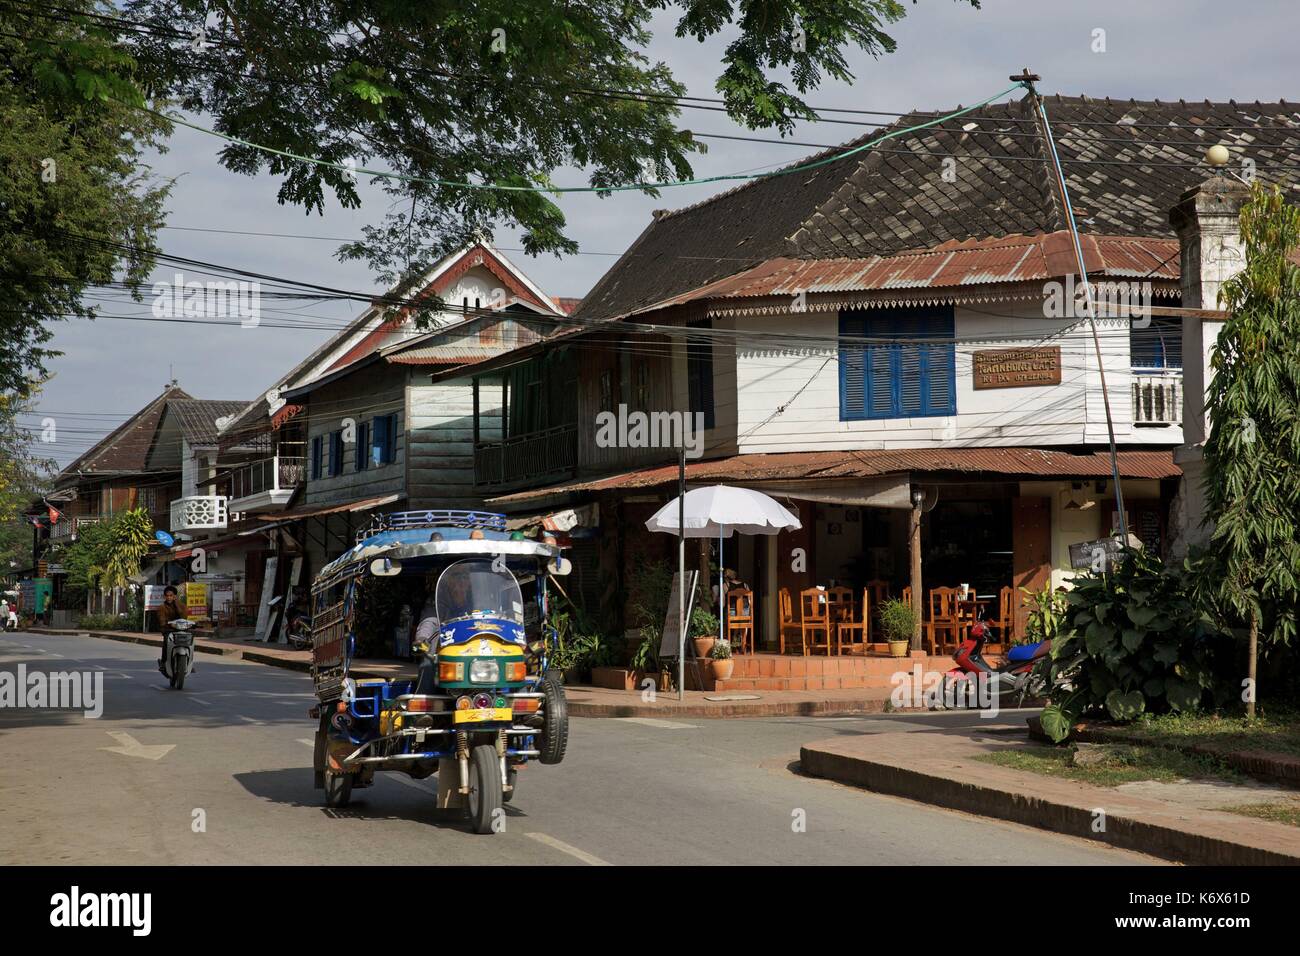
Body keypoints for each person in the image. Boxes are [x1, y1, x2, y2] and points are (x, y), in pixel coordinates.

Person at [157, 585, 187, 673]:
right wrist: (166, 625)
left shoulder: (181, 605)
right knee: (166, 642)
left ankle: (188, 662)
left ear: (175, 596)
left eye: (171, 596)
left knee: (189, 639)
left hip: (181, 629)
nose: (169, 597)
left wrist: (177, 605)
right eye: (167, 596)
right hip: (168, 630)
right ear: (164, 597)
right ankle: (163, 662)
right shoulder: (162, 607)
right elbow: (161, 620)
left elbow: (184, 616)